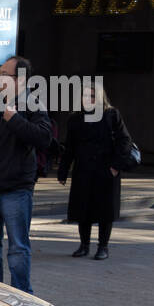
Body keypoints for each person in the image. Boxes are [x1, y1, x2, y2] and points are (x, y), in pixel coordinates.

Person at [0, 55, 52, 294]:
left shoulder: (32, 103)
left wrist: (14, 119)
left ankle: (22, 297)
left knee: (17, 248)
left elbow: (44, 138)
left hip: (14, 189)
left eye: (5, 74)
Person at [59, 82, 133, 260]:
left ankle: (103, 247)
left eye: (92, 96)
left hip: (106, 170)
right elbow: (70, 147)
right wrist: (63, 170)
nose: (88, 99)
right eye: (85, 96)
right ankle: (84, 245)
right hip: (83, 170)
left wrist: (115, 166)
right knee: (82, 209)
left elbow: (125, 141)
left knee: (104, 211)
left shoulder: (111, 115)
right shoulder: (75, 119)